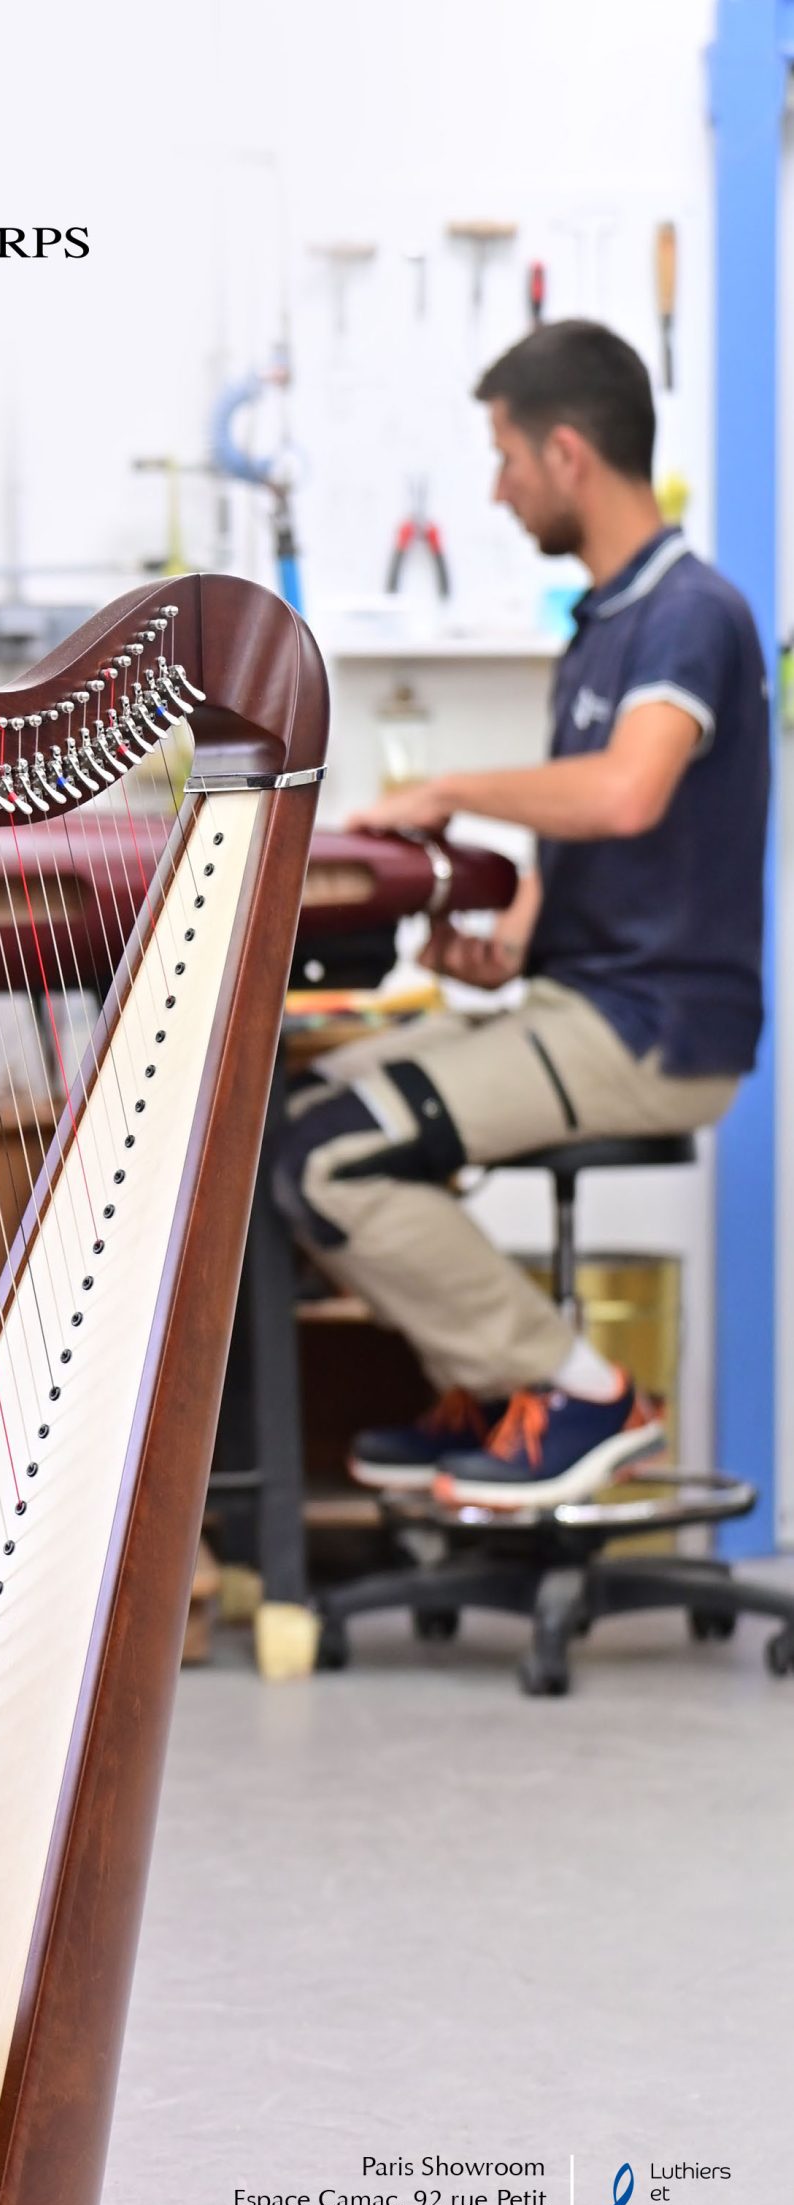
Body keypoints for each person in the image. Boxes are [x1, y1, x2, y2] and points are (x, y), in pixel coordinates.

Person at [274, 320, 769, 1507]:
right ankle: (503, 1393)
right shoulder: (599, 629)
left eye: (503, 460)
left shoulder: (689, 613)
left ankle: (573, 1391)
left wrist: (448, 788)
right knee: (296, 1119)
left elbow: (625, 791)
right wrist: (503, 948)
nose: (496, 493)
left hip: (653, 1032)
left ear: (564, 453)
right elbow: (587, 846)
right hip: (580, 1000)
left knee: (329, 1156)